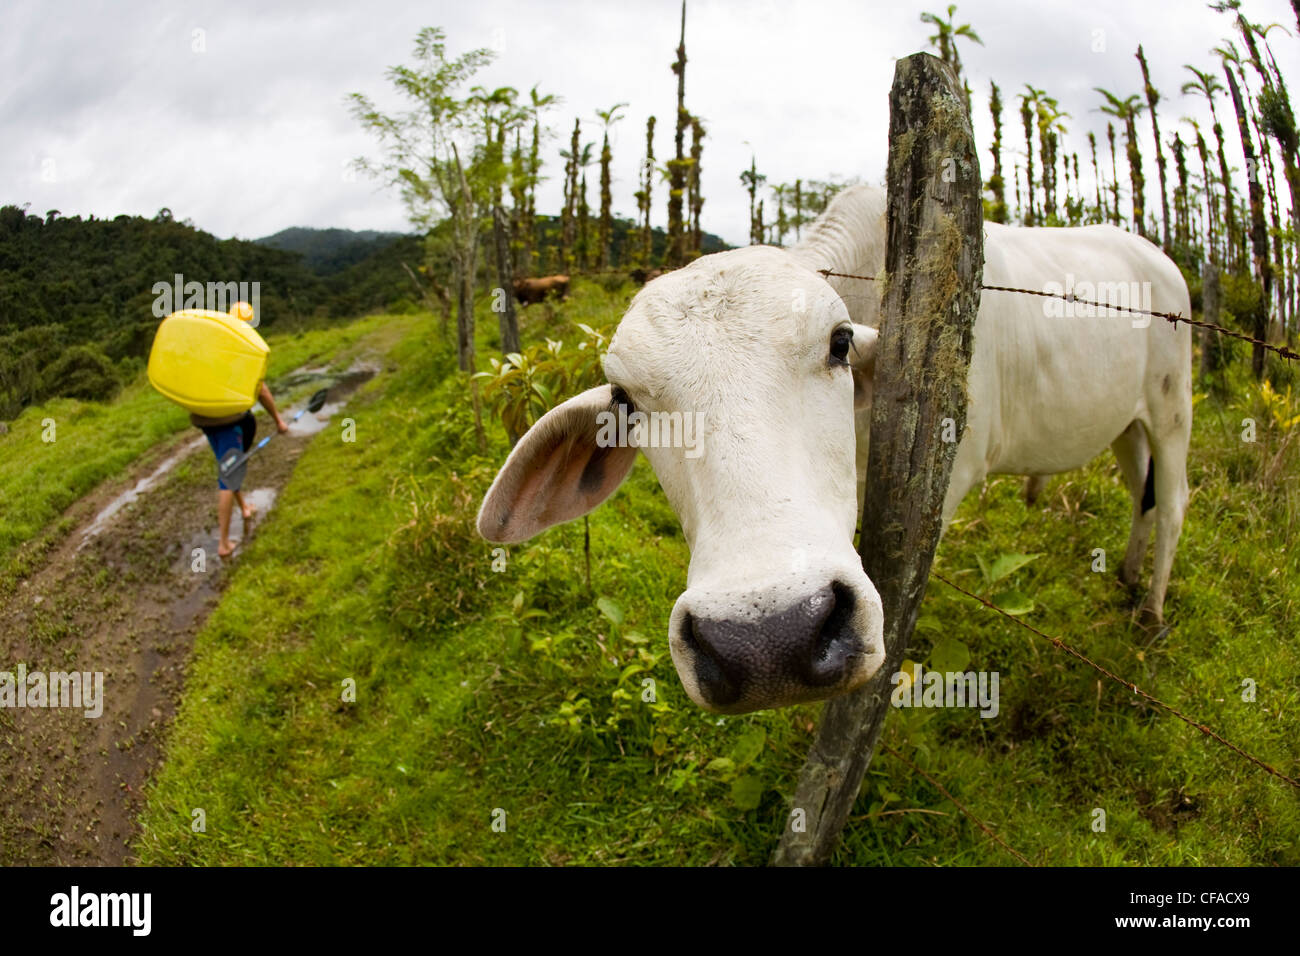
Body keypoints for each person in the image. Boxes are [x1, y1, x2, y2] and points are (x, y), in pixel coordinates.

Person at [190, 304, 288, 558]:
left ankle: (244, 507)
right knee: (228, 477)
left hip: (204, 420)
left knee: (228, 465)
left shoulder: (210, 348)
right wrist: (278, 420)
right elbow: (262, 391)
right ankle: (223, 544)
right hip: (228, 423)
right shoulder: (244, 352)